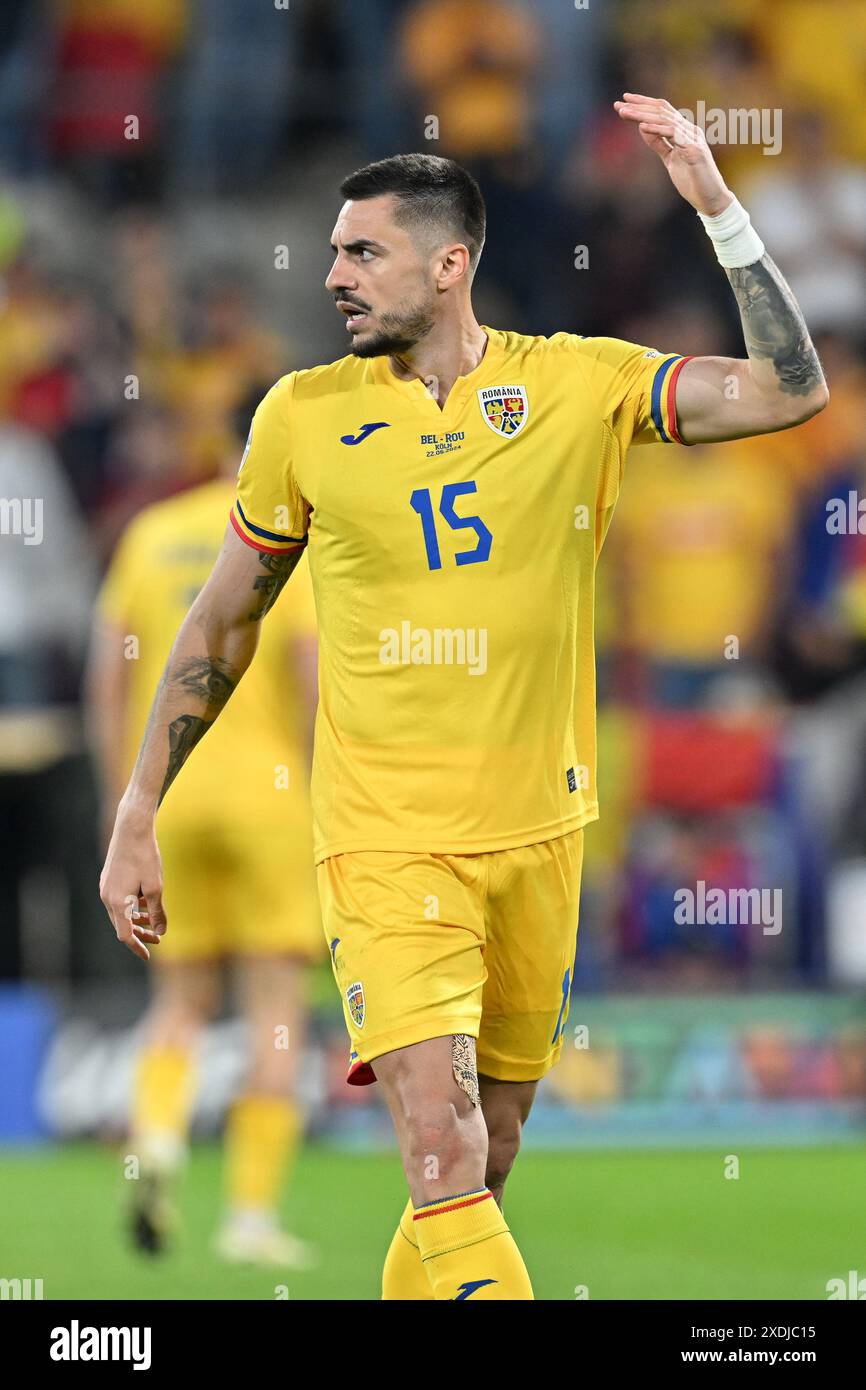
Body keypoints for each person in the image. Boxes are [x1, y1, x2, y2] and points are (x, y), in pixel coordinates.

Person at [99, 94, 828, 1300]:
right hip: (384, 844)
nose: (330, 272)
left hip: (539, 835)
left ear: (448, 266)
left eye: (360, 251)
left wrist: (718, 210)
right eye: (333, 248)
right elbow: (223, 617)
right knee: (436, 1153)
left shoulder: (579, 387)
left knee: (479, 1161)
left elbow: (787, 392)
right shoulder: (303, 415)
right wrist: (138, 804)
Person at [88, 424, 320, 1266]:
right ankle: (250, 1218)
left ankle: (156, 1137)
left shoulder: (150, 536)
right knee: (275, 1018)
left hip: (170, 801)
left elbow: (106, 675)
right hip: (270, 801)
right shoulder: (284, 539)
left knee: (179, 1002)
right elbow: (311, 674)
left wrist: (125, 803)